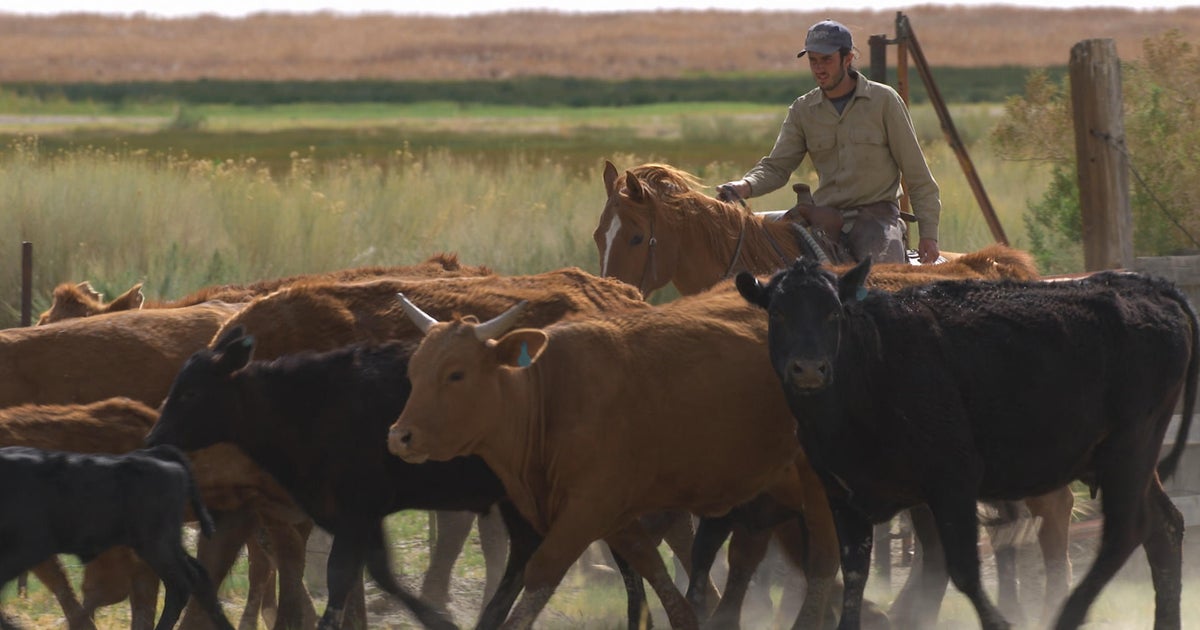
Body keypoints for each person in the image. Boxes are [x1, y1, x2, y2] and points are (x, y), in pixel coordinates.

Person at [718, 19, 942, 264]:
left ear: (848, 59)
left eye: (826, 60)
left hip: (876, 221)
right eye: (813, 60)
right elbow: (777, 167)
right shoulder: (803, 109)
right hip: (823, 219)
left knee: (883, 282)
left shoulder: (884, 101)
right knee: (767, 269)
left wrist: (928, 235)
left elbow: (917, 175)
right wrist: (743, 186)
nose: (819, 68)